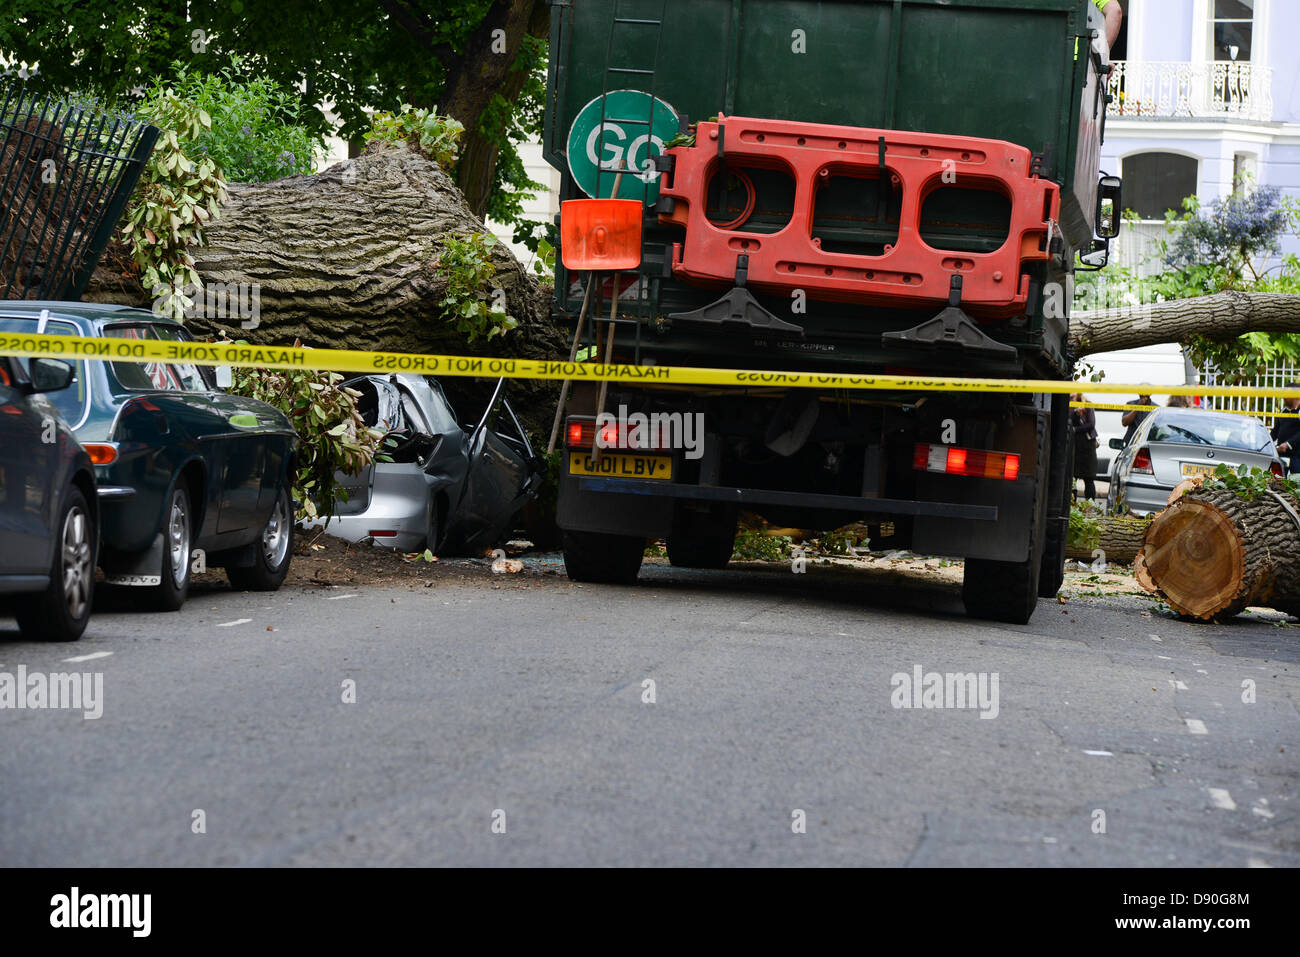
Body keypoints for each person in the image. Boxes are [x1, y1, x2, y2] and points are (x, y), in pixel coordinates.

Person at [1070, 393, 1098, 500]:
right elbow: (1068, 420)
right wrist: (1075, 413)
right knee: (1072, 478)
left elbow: (1091, 424)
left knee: (1089, 478)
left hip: (1087, 446)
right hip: (1074, 445)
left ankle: (1090, 505)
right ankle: (1072, 504)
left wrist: (1075, 430)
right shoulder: (1068, 405)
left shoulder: (1087, 405)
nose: (1071, 394)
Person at [1270, 383, 1300, 475]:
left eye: (1286, 394)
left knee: (1297, 483)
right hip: (1282, 455)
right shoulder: (1284, 411)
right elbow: (1275, 431)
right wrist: (1268, 443)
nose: (1283, 397)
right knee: (1278, 482)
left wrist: (1288, 444)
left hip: (1297, 456)